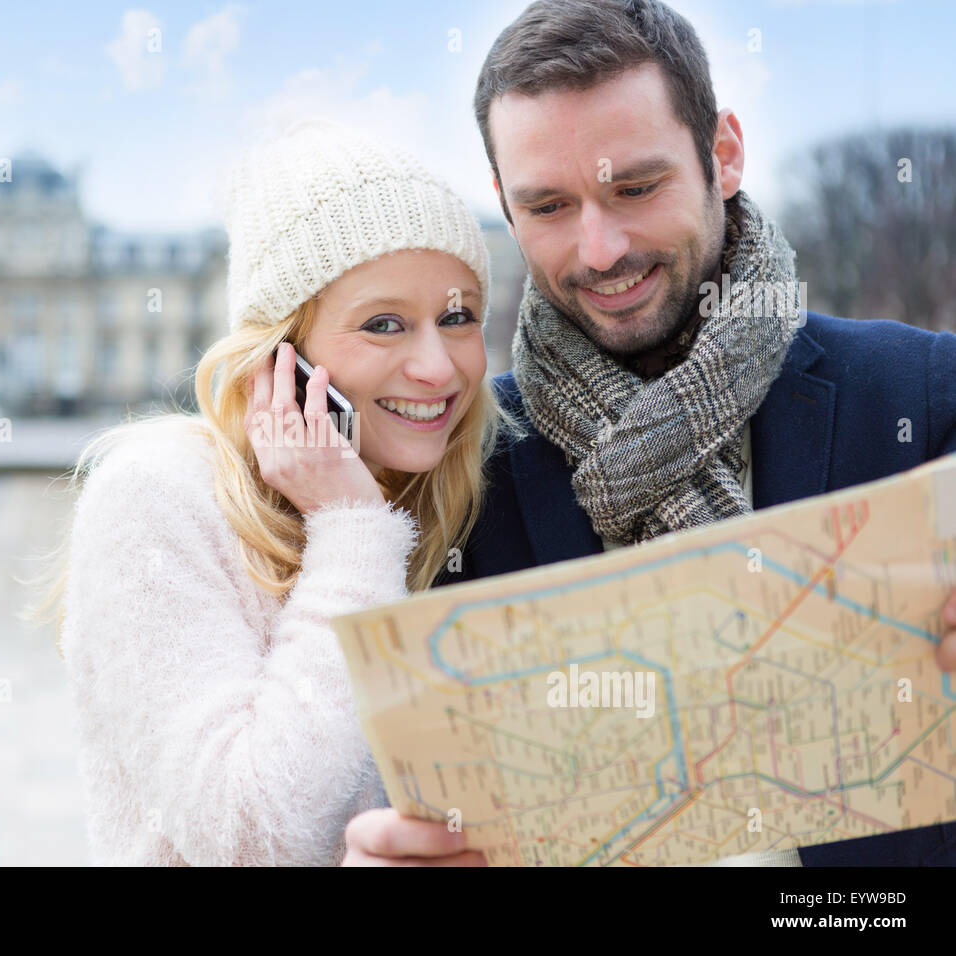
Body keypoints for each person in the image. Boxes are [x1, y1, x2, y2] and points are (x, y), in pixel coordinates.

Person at [344, 0, 956, 867]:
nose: (599, 249)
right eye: (549, 205)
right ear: (505, 209)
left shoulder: (925, 398)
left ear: (724, 155)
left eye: (635, 188)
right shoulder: (455, 476)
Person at [42, 119, 522, 865]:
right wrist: (352, 526)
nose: (439, 366)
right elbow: (251, 839)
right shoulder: (155, 500)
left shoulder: (444, 500)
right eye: (384, 324)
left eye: (457, 317)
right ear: (281, 357)